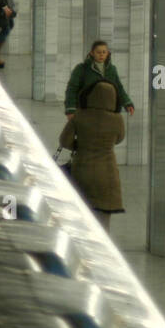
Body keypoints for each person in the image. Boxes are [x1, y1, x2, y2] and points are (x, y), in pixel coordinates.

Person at [58, 81, 125, 231]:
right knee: (103, 219)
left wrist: (80, 145)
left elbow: (64, 141)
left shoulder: (79, 116)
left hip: (82, 169)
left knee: (81, 213)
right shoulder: (117, 119)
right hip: (108, 174)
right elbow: (120, 138)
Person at [65, 40, 135, 118]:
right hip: (86, 111)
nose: (101, 55)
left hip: (108, 111)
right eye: (98, 52)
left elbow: (119, 88)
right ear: (92, 53)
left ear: (107, 53)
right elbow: (72, 89)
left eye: (104, 52)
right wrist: (70, 109)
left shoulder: (112, 69)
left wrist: (127, 103)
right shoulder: (82, 69)